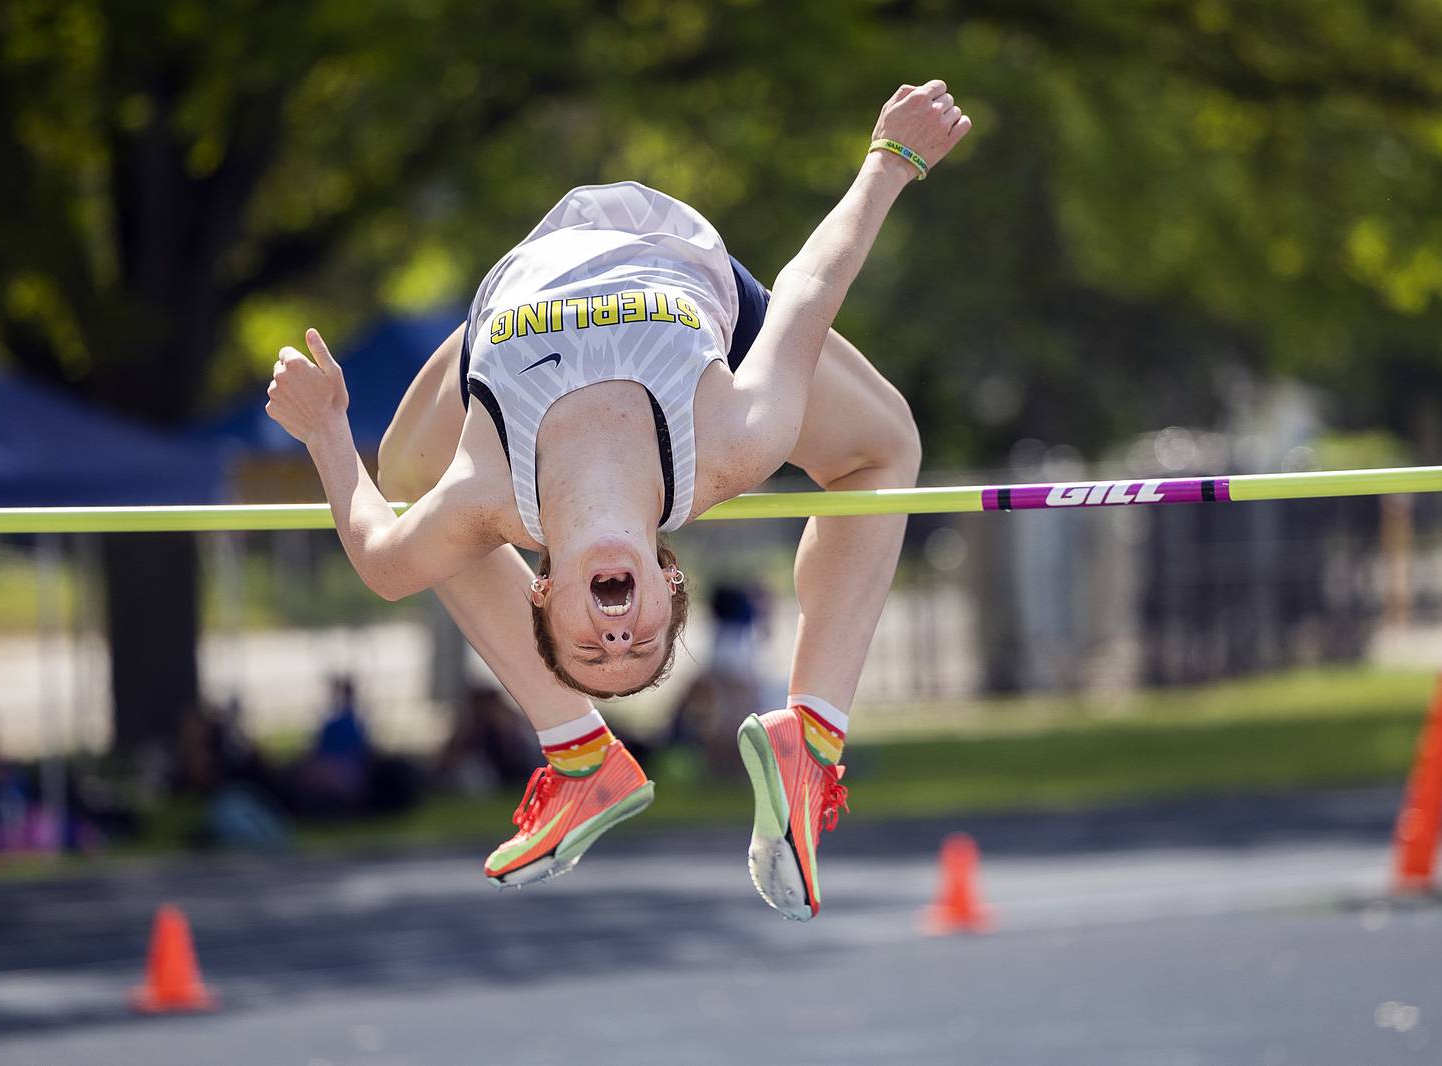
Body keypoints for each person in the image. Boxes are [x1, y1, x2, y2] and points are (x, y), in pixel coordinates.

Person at [266, 81, 969, 920]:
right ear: (671, 587)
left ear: (544, 590)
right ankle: (812, 737)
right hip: (693, 282)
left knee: (402, 476)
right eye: (636, 644)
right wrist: (890, 161)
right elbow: (810, 287)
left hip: (522, 292)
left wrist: (327, 433)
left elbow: (381, 561)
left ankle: (574, 748)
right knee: (886, 448)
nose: (615, 633)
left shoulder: (485, 497)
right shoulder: (730, 443)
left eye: (592, 651)